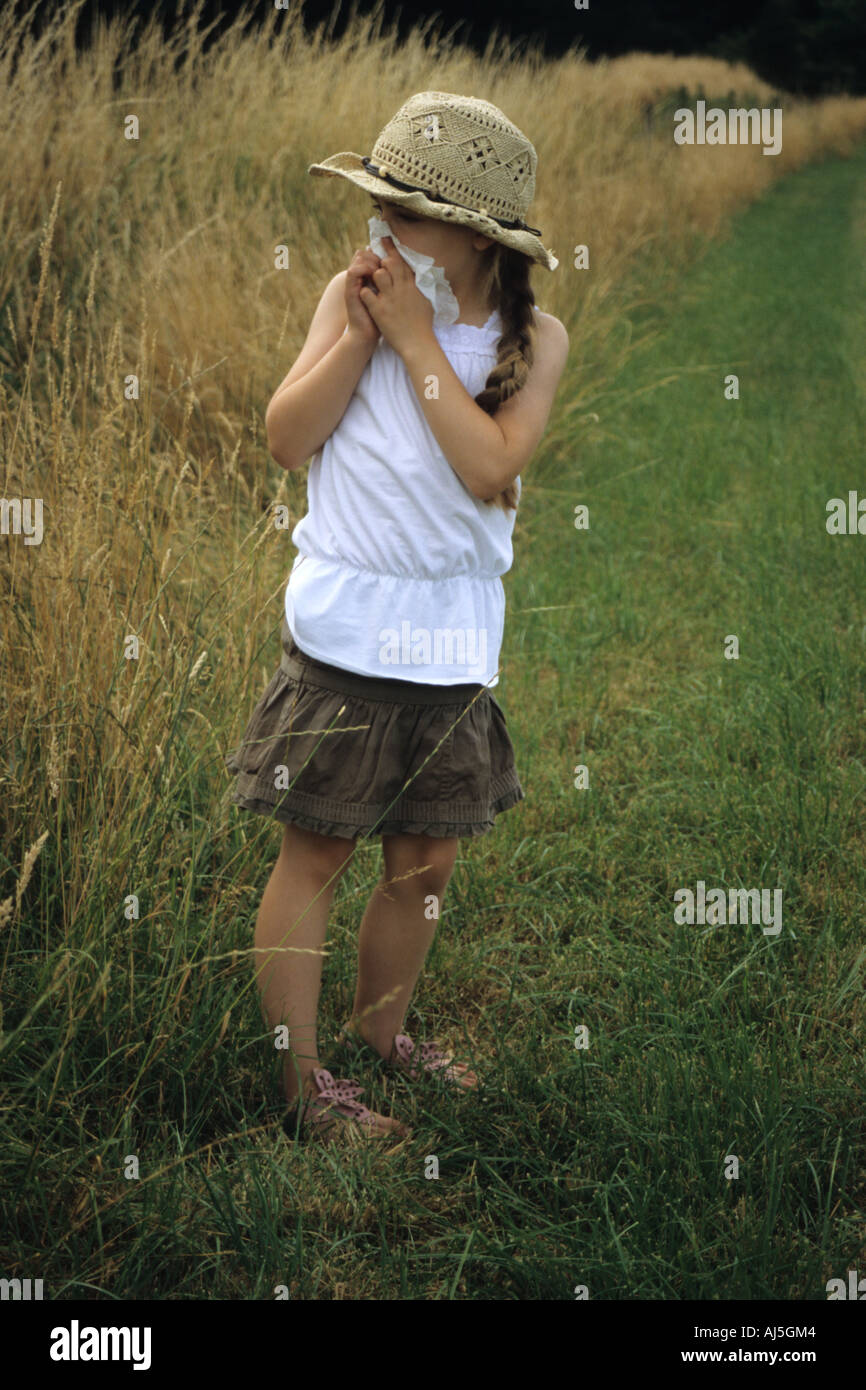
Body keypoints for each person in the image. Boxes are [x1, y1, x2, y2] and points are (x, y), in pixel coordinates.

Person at [225, 92, 569, 1144]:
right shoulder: (351, 294)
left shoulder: (534, 336)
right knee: (315, 854)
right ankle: (303, 1085)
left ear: (475, 232)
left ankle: (384, 1038)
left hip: (455, 642)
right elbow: (288, 439)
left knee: (423, 863)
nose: (381, 224)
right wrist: (363, 339)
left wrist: (416, 337)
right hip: (345, 636)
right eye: (376, 200)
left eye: (405, 211)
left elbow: (487, 468)